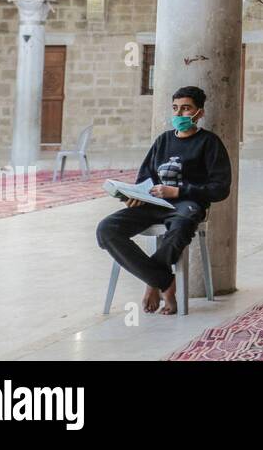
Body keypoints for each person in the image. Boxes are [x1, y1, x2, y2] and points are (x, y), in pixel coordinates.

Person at [96, 86, 232, 315]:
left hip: (186, 204)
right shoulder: (163, 141)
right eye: (175, 109)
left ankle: (153, 282)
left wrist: (178, 192)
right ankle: (163, 281)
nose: (179, 114)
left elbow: (220, 189)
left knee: (180, 228)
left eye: (186, 109)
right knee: (107, 229)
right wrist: (134, 197)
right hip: (152, 204)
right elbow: (144, 178)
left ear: (200, 112)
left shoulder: (209, 143)